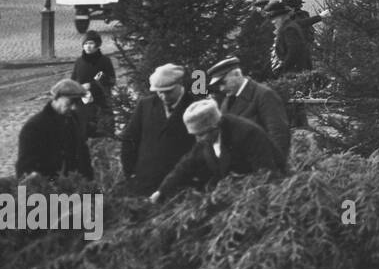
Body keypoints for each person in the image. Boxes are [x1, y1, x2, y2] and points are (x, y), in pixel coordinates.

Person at [151, 100, 284, 203]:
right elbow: (185, 165)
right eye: (195, 135)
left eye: (201, 134)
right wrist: (162, 191)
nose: (198, 140)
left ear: (215, 127)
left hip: (272, 191)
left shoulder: (247, 133)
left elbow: (266, 172)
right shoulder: (206, 139)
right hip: (235, 193)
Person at [120, 64, 198, 197]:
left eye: (168, 91)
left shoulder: (195, 106)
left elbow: (201, 148)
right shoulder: (145, 105)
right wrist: (131, 173)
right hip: (144, 183)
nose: (163, 96)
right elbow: (129, 139)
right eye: (159, 92)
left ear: (180, 84)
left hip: (180, 187)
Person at [206, 57, 291, 169]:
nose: (221, 88)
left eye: (223, 82)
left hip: (261, 168)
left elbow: (279, 135)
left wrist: (274, 170)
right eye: (218, 85)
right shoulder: (227, 100)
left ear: (236, 74)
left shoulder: (264, 95)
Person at [15, 79, 94, 180]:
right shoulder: (34, 127)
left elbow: (83, 156)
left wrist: (90, 184)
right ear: (56, 98)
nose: (74, 107)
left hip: (74, 187)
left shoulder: (73, 120)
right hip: (48, 190)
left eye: (77, 102)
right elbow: (24, 170)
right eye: (71, 102)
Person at [71, 30, 116, 139]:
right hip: (82, 104)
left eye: (91, 43)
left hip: (101, 103)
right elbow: (72, 81)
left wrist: (92, 85)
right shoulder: (79, 62)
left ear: (97, 45)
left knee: (102, 134)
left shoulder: (105, 61)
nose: (88, 46)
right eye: (85, 44)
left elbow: (111, 80)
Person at [267, 1, 312, 76]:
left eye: (275, 18)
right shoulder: (288, 26)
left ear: (282, 16)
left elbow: (294, 51)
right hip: (295, 70)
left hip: (295, 72)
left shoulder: (289, 29)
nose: (273, 22)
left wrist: (283, 69)